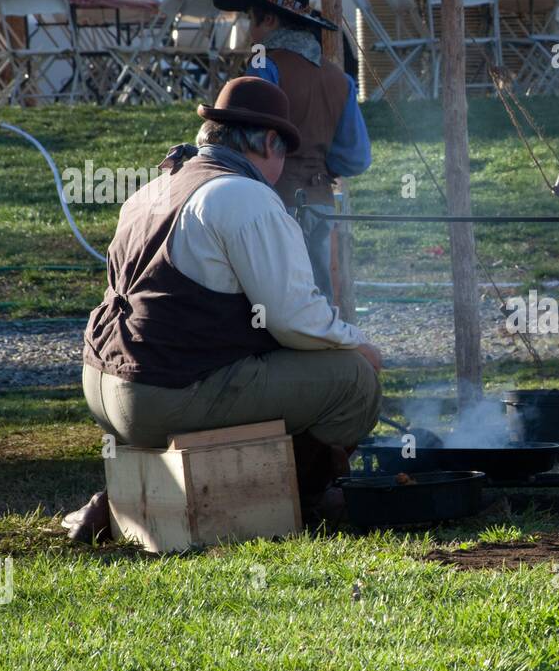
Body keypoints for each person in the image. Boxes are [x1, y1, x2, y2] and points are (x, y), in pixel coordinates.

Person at [65, 78, 383, 542]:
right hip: (161, 392)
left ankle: (119, 503)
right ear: (271, 142)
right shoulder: (243, 196)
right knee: (353, 380)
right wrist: (360, 346)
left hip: (105, 387)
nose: (282, 166)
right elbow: (293, 318)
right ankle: (293, 499)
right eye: (283, 153)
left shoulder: (152, 190)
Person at [213, 0, 366, 301]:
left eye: (251, 20)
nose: (251, 33)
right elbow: (355, 158)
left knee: (268, 301)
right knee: (318, 300)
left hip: (268, 205)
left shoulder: (262, 65)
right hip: (321, 206)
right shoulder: (339, 80)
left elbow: (243, 142)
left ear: (268, 20)